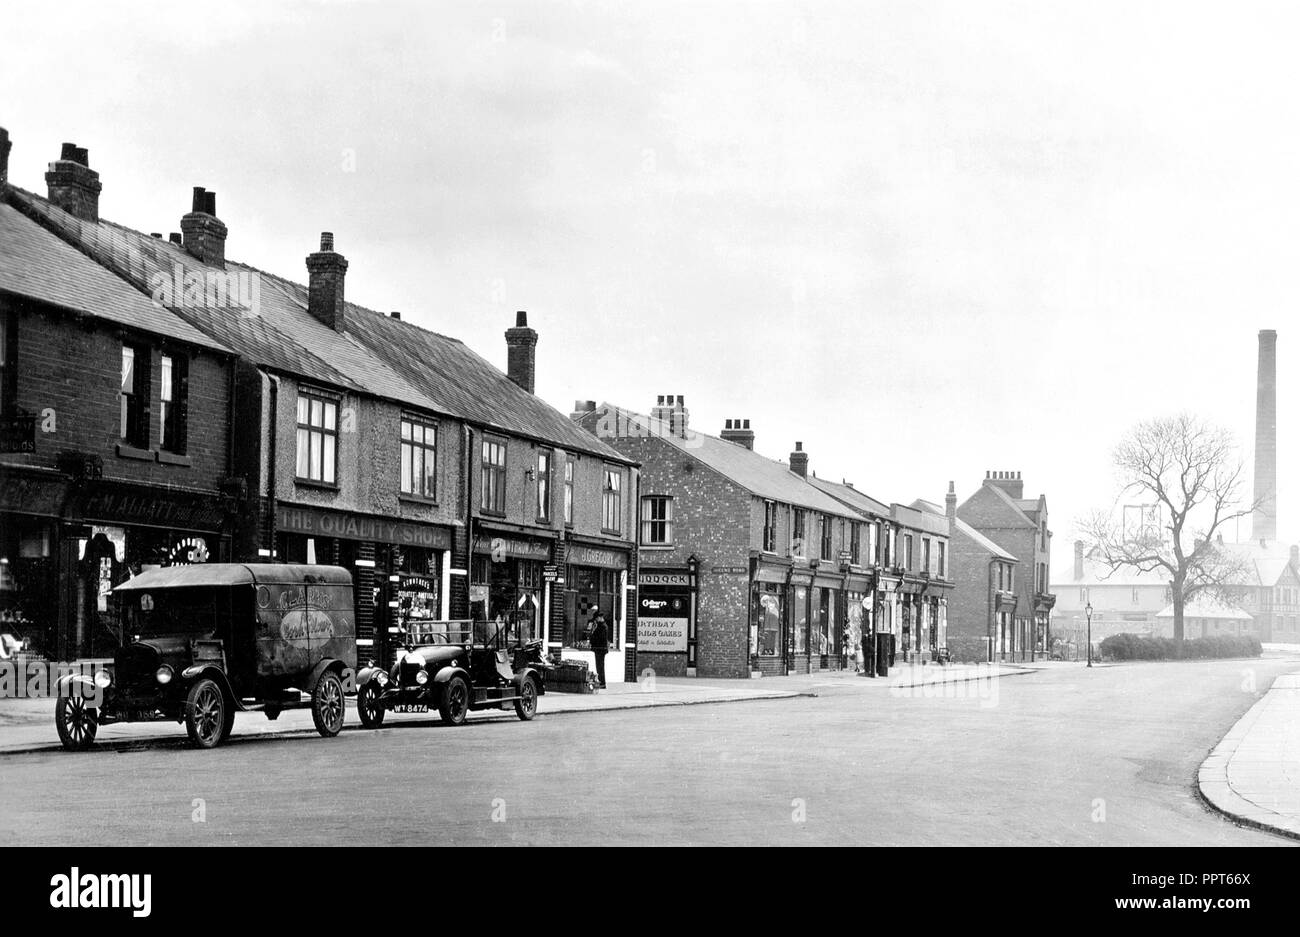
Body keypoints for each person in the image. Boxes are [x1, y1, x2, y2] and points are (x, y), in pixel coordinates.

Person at [589, 611, 609, 689]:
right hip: (599, 649)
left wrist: (592, 635)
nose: (596, 620)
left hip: (600, 649)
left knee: (600, 666)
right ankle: (601, 682)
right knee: (599, 666)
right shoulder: (600, 626)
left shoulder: (603, 627)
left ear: (600, 618)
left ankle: (602, 683)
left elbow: (599, 638)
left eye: (597, 618)